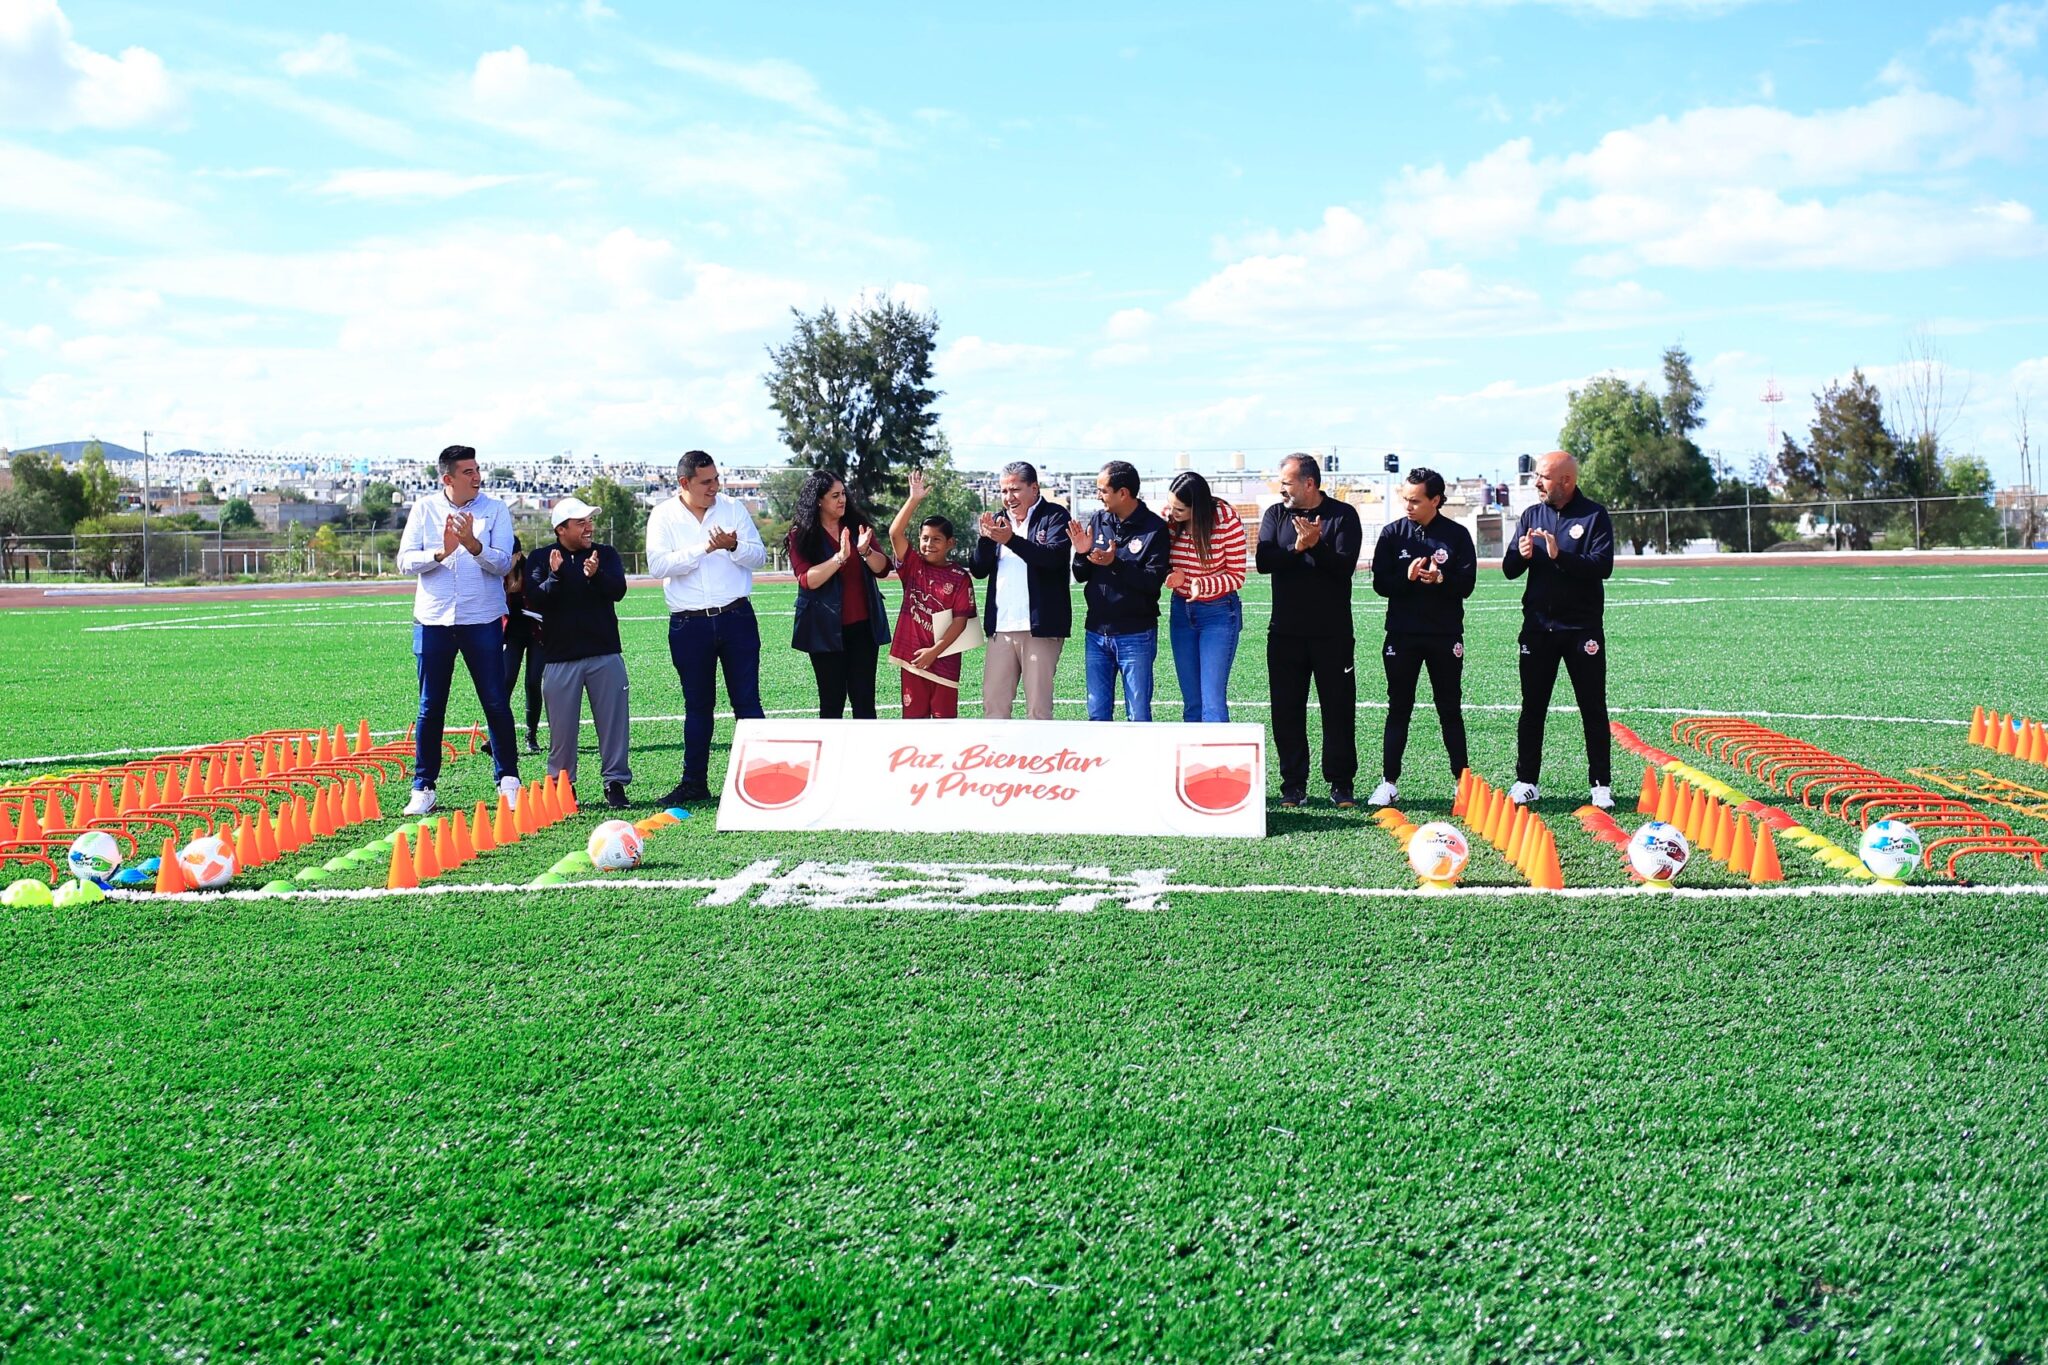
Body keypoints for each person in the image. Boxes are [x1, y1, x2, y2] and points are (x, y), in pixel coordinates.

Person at [395, 445, 523, 818]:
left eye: (477, 469)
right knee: (430, 706)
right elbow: (404, 561)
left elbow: (502, 563)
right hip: (433, 620)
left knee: (496, 701)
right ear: (447, 478)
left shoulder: (495, 509)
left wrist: (472, 545)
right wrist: (440, 552)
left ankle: (508, 780)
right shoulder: (424, 509)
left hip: (482, 618)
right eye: (468, 471)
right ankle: (423, 786)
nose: (476, 476)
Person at [645, 450, 768, 805]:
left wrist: (732, 546)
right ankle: (694, 783)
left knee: (748, 702)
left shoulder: (733, 508)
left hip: (737, 618)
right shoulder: (663, 515)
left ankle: (762, 778)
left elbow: (758, 556)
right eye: (706, 481)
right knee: (698, 706)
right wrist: (703, 548)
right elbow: (657, 565)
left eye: (716, 478)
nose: (715, 486)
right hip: (689, 624)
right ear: (684, 483)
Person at [1503, 449, 1617, 808]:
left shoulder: (1594, 515)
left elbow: (1602, 566)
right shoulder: (1531, 515)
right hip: (1537, 629)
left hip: (1581, 629)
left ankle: (1601, 784)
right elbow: (1508, 570)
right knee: (1532, 708)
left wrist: (1558, 556)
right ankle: (1526, 781)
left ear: (1566, 481)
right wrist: (1520, 556)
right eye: (1537, 476)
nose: (1537, 482)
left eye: (1544, 477)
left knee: (1592, 707)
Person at [1256, 453, 1363, 808]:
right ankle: (1293, 785)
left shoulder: (1342, 515)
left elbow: (1344, 567)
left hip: (1332, 634)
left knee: (1338, 709)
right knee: (1286, 710)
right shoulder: (1276, 515)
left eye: (1286, 482)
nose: (1281, 488)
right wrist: (1297, 547)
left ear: (1309, 484)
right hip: (1285, 633)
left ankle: (1341, 783)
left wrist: (1317, 545)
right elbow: (1264, 561)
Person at [1366, 468, 1476, 807]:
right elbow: (1380, 583)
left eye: (1415, 500)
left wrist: (1442, 579)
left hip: (1444, 635)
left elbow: (1467, 585)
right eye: (1405, 499)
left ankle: (1463, 782)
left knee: (1449, 709)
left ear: (1436, 500)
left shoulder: (1457, 536)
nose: (1408, 505)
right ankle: (1388, 783)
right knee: (1398, 708)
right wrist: (1407, 575)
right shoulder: (1392, 534)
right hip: (1402, 635)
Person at [526, 497, 633, 809]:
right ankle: (563, 788)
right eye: (581, 522)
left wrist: (596, 575)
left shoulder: (606, 554)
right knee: (561, 732)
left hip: (605, 653)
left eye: (590, 520)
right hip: (559, 658)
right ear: (561, 529)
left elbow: (618, 591)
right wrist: (556, 575)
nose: (589, 527)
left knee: (614, 726)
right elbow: (536, 599)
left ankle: (615, 784)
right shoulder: (541, 557)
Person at [1068, 460, 1171, 722]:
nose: (1098, 495)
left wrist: (1115, 563)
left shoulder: (1155, 529)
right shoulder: (1099, 519)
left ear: (1123, 493)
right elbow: (1081, 575)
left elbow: (1151, 582)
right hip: (1096, 632)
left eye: (1102, 490)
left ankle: (1139, 764)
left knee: (1137, 715)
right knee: (1097, 714)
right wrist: (1081, 554)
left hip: (1136, 634)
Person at [969, 461, 1072, 720]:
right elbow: (979, 570)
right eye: (1003, 491)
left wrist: (1010, 540)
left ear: (1034, 488)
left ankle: (1041, 759)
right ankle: (997, 759)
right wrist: (985, 539)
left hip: (1039, 628)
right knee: (994, 705)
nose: (1008, 497)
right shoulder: (998, 520)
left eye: (1014, 490)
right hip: (1001, 628)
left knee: (1038, 709)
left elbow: (1052, 559)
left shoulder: (1055, 516)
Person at [788, 470, 892, 719]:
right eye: (835, 495)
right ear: (818, 501)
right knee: (831, 702)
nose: (842, 500)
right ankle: (831, 758)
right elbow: (807, 579)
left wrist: (865, 551)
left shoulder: (858, 526)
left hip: (863, 629)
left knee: (864, 701)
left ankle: (864, 758)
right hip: (824, 631)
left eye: (843, 494)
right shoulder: (800, 535)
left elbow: (883, 569)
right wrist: (840, 558)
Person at [886, 469, 978, 719]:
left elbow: (961, 622)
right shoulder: (913, 565)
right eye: (925, 538)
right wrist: (913, 500)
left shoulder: (959, 577)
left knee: (943, 724)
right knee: (913, 723)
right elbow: (895, 533)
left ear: (951, 543)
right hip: (913, 659)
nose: (929, 544)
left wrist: (934, 651)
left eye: (937, 539)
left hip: (944, 660)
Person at [1161, 470, 1248, 723]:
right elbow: (1161, 560)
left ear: (1196, 509)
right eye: (1171, 506)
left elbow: (1237, 576)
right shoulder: (1170, 521)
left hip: (1218, 613)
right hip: (1181, 611)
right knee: (1192, 703)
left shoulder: (1226, 520)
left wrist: (1203, 584)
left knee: (1212, 702)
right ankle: (1193, 761)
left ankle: (1219, 762)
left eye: (1179, 510)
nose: (1171, 513)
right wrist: (1169, 574)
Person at [499, 540, 543, 754]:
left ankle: (531, 734)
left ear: (518, 555)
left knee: (533, 682)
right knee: (505, 680)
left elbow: (544, 595)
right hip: (512, 634)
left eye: (510, 555)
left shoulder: (531, 568)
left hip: (536, 633)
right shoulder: (497, 572)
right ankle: (498, 735)